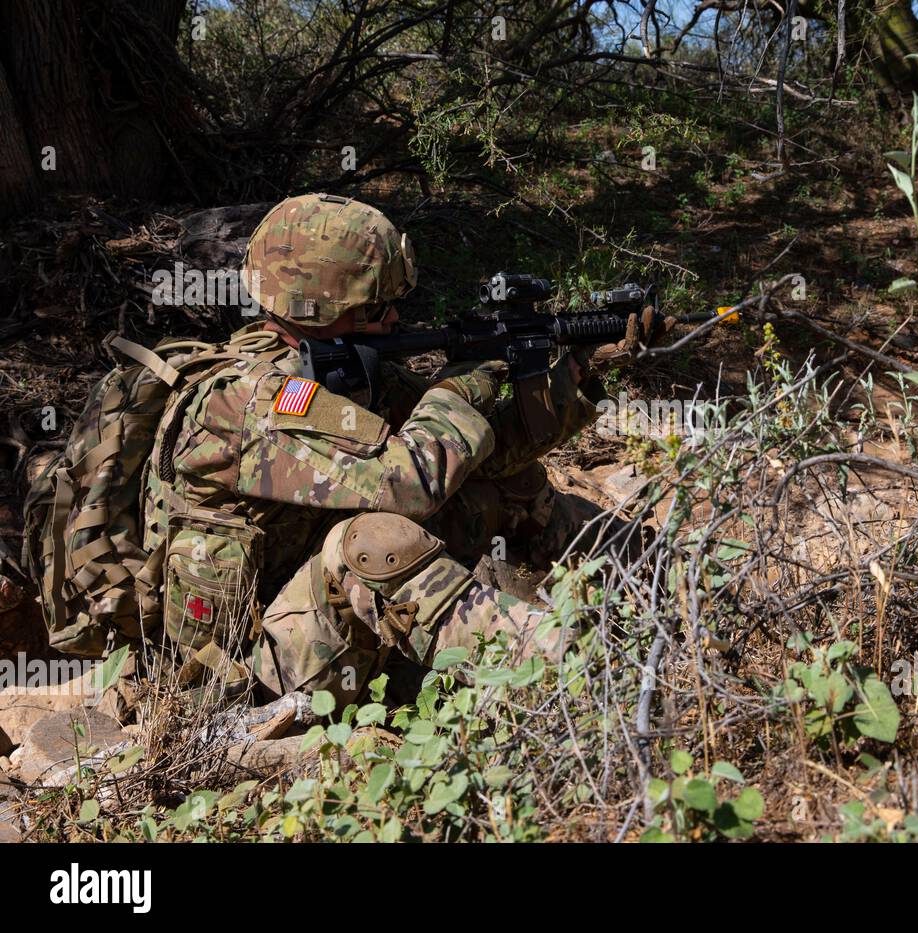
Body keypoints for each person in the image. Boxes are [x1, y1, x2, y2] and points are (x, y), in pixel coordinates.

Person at [144, 193, 663, 704]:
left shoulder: (339, 374)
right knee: (373, 542)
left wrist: (580, 369)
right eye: (377, 306)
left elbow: (481, 458)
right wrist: (460, 387)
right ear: (324, 303)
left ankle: (666, 579)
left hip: (318, 624)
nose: (394, 319)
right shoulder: (247, 402)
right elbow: (409, 483)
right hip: (245, 671)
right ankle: (575, 680)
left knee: (506, 489)